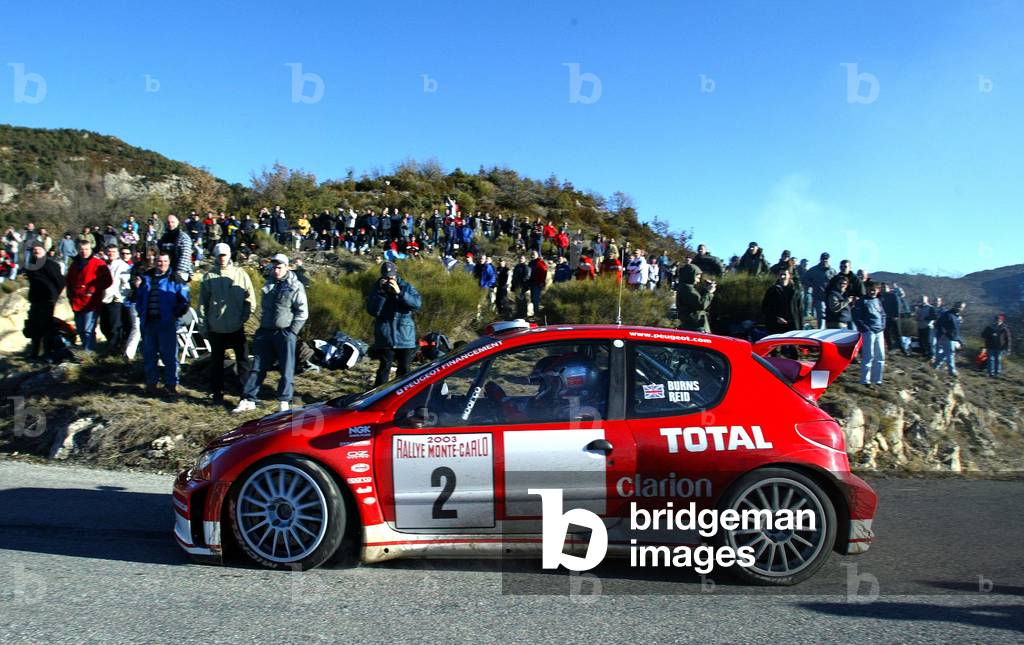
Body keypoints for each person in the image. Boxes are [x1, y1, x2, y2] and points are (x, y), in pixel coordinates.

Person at [234, 254, 309, 412]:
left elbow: (302, 312)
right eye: (274, 267)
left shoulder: (295, 285)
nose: (276, 271)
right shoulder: (269, 283)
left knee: (286, 368)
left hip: (284, 333)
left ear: (287, 267)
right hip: (265, 331)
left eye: (279, 267)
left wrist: (292, 331)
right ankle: (248, 399)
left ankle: (284, 401)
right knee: (257, 366)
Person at [199, 243, 257, 404]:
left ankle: (245, 395)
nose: (222, 258)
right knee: (216, 363)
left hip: (236, 326)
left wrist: (243, 317)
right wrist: (204, 327)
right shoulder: (208, 277)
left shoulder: (240, 274)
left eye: (224, 255)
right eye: (219, 255)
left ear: (229, 255)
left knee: (243, 361)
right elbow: (202, 305)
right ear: (215, 256)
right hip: (216, 328)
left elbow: (250, 299)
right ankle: (217, 394)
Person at [135, 252, 190, 395]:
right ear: (155, 262)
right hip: (149, 323)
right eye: (159, 261)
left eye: (165, 261)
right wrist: (141, 311)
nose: (162, 264)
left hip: (167, 323)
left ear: (169, 262)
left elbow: (184, 300)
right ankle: (152, 384)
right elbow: (139, 298)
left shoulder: (175, 279)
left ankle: (171, 385)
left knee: (169, 355)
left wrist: (175, 314)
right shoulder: (146, 278)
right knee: (149, 355)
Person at [366, 261, 422, 386]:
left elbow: (417, 304)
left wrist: (400, 293)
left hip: (405, 336)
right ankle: (380, 394)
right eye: (386, 277)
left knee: (405, 370)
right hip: (385, 336)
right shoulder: (377, 289)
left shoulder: (406, 286)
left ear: (396, 275)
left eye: (391, 277)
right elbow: (372, 311)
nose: (389, 280)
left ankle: (404, 394)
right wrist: (381, 294)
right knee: (384, 369)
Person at [65, 238, 112, 352]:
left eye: (86, 249)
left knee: (88, 329)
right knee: (80, 329)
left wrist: (93, 289)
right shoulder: (75, 264)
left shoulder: (98, 263)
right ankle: (85, 350)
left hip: (91, 302)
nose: (84, 252)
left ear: (91, 249)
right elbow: (69, 281)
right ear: (78, 250)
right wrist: (70, 296)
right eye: (81, 249)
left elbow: (108, 280)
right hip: (77, 301)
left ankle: (89, 353)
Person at [24, 243, 65, 361]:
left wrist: (54, 296)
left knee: (47, 328)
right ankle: (34, 353)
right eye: (35, 249)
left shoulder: (51, 264)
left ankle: (47, 353)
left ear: (44, 250)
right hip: (35, 300)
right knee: (34, 327)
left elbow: (60, 282)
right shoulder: (31, 265)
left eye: (39, 249)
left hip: (48, 300)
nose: (37, 251)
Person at [97, 244, 130, 352]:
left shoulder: (122, 265)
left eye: (114, 252)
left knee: (114, 326)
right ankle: (111, 345)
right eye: (109, 251)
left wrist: (120, 296)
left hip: (115, 299)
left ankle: (114, 348)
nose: (111, 254)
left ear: (117, 253)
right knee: (104, 326)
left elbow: (126, 283)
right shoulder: (103, 265)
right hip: (104, 299)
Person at [852, 280, 886, 386]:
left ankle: (877, 380)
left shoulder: (878, 301)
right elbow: (857, 317)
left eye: (874, 290)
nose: (872, 292)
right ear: (866, 289)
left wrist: (882, 326)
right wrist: (865, 328)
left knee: (880, 356)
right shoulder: (861, 301)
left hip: (879, 332)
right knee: (868, 356)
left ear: (878, 290)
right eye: (870, 290)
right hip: (868, 332)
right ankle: (865, 380)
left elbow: (883, 315)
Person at [676, 266, 715, 333]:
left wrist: (705, 290)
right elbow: (701, 305)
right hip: (694, 326)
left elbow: (696, 301)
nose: (698, 280)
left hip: (692, 325)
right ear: (691, 276)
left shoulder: (685, 287)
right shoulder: (687, 288)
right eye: (697, 278)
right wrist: (709, 292)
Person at [762, 269, 801, 334]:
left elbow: (800, 310)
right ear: (778, 276)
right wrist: (775, 318)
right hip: (776, 327)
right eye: (781, 275)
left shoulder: (795, 291)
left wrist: (800, 328)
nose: (782, 277)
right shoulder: (772, 290)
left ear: (789, 276)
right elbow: (765, 308)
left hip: (792, 326)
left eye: (784, 274)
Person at [933, 302, 966, 377]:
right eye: (960, 307)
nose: (960, 309)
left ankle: (935, 366)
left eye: (962, 307)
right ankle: (952, 371)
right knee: (950, 353)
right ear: (955, 306)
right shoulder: (947, 314)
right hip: (946, 337)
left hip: (952, 337)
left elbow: (955, 330)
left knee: (945, 353)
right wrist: (944, 334)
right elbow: (940, 325)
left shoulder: (957, 316)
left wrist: (959, 340)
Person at [158, 215, 193, 282]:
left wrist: (179, 272)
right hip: (165, 270)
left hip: (180, 271)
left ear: (177, 223)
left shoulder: (184, 237)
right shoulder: (163, 237)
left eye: (172, 222)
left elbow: (185, 256)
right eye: (168, 222)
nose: (170, 224)